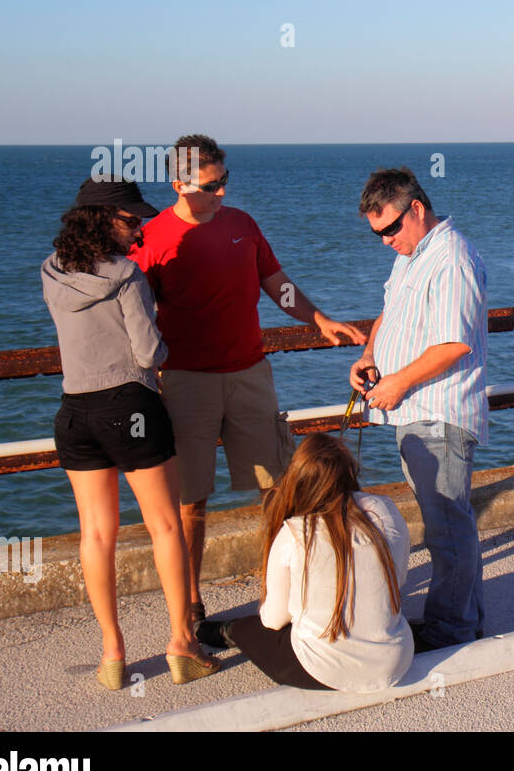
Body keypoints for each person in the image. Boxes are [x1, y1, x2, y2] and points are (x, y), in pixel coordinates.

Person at [130, 134, 366, 625]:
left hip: (250, 373)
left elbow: (275, 282)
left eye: (225, 182)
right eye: (211, 186)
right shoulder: (152, 238)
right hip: (186, 381)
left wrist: (316, 318)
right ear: (179, 184)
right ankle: (191, 607)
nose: (221, 194)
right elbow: (132, 312)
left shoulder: (242, 224)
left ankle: (280, 597)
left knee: (276, 489)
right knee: (191, 499)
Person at [42, 176, 218, 688]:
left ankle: (112, 656)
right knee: (165, 526)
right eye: (130, 220)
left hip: (75, 410)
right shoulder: (126, 276)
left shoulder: (51, 270)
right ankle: (182, 645)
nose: (138, 228)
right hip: (130, 404)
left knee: (96, 534)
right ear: (102, 219)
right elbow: (147, 353)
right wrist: (163, 346)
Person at [348, 167, 488, 652]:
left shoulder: (451, 257)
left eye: (390, 229)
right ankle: (465, 621)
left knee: (447, 527)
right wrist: (369, 356)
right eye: (377, 234)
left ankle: (451, 630)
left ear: (416, 209)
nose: (385, 241)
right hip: (414, 409)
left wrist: (398, 382)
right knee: (448, 524)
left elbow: (456, 344)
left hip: (438, 412)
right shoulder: (413, 254)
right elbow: (391, 313)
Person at [196, 434, 412, 690]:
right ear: (351, 471)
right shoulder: (384, 509)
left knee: (250, 629)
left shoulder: (295, 532)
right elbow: (397, 579)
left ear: (297, 480)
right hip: (395, 662)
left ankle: (208, 632)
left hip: (321, 671)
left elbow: (273, 621)